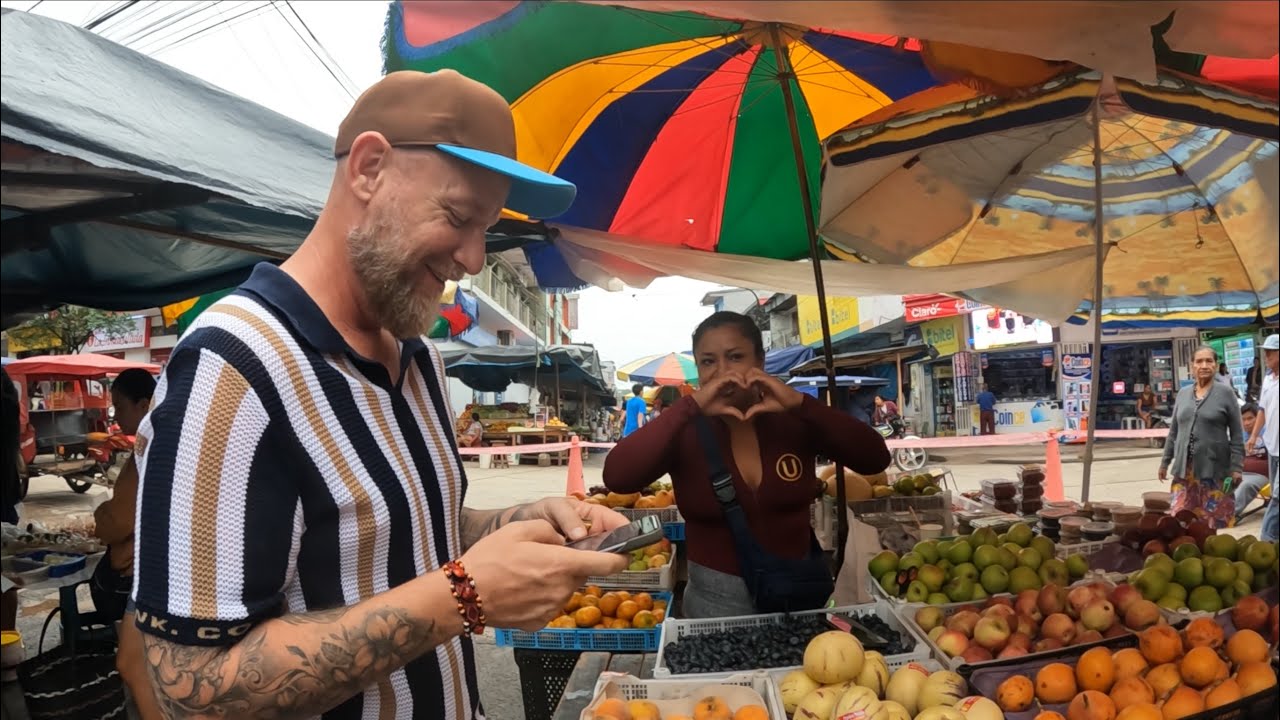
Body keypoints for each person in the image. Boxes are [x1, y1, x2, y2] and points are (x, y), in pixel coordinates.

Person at [130, 70, 628, 720]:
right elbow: (191, 685)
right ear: (368, 168)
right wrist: (465, 596)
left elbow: (414, 535)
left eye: (487, 227)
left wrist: (527, 523)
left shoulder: (416, 360)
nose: (475, 259)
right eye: (458, 216)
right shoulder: (233, 366)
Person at [603, 312, 891, 617]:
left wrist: (800, 403)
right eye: (708, 362)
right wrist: (691, 406)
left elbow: (874, 457)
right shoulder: (685, 429)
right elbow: (619, 477)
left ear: (760, 361)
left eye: (735, 357)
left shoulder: (794, 419)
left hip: (800, 599)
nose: (723, 372)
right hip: (712, 609)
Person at [89, 369, 162, 720]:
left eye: (119, 406)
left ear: (144, 404)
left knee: (133, 663)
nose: (115, 416)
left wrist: (102, 517)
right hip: (148, 571)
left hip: (142, 578)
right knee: (138, 663)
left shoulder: (151, 448)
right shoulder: (156, 444)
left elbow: (118, 522)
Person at [1159, 346, 1245, 529]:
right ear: (1192, 366)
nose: (1204, 365)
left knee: (1211, 523)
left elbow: (1237, 433)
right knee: (1180, 519)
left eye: (1209, 361)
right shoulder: (1183, 394)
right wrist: (1165, 462)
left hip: (1215, 469)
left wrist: (1237, 467)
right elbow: (1173, 431)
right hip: (1185, 470)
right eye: (1199, 361)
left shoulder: (1225, 393)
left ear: (1216, 365)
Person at [1255, 334, 1279, 541]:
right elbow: (1262, 410)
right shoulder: (1268, 380)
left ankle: (1267, 539)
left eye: (1270, 352)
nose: (1266, 356)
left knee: (1278, 496)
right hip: (1272, 446)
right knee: (1276, 493)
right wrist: (1253, 436)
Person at [1234, 403, 1270, 521]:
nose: (1246, 423)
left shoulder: (1268, 433)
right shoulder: (1239, 435)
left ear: (1258, 418)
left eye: (1250, 418)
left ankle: (1227, 515)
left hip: (1261, 475)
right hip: (1240, 472)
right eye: (1243, 419)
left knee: (1246, 485)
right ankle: (1214, 512)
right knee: (1222, 483)